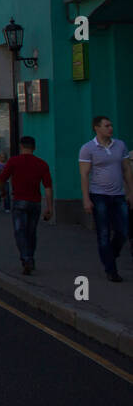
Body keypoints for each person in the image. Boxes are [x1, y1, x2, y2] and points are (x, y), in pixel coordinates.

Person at [79, 115, 132, 282]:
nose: (111, 128)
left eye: (111, 125)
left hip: (118, 195)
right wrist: (86, 199)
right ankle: (111, 269)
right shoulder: (88, 148)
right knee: (103, 233)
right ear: (97, 128)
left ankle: (110, 255)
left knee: (123, 231)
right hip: (99, 195)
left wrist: (131, 191)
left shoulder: (120, 145)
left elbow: (126, 170)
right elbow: (84, 175)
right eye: (107, 126)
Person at [0, 136, 54, 276]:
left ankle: (26, 258)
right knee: (31, 232)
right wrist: (49, 207)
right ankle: (30, 257)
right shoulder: (42, 164)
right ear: (34, 148)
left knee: (20, 232)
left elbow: (2, 179)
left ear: (21, 146)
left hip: (19, 201)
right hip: (35, 203)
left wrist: (3, 192)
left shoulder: (14, 161)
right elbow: (48, 187)